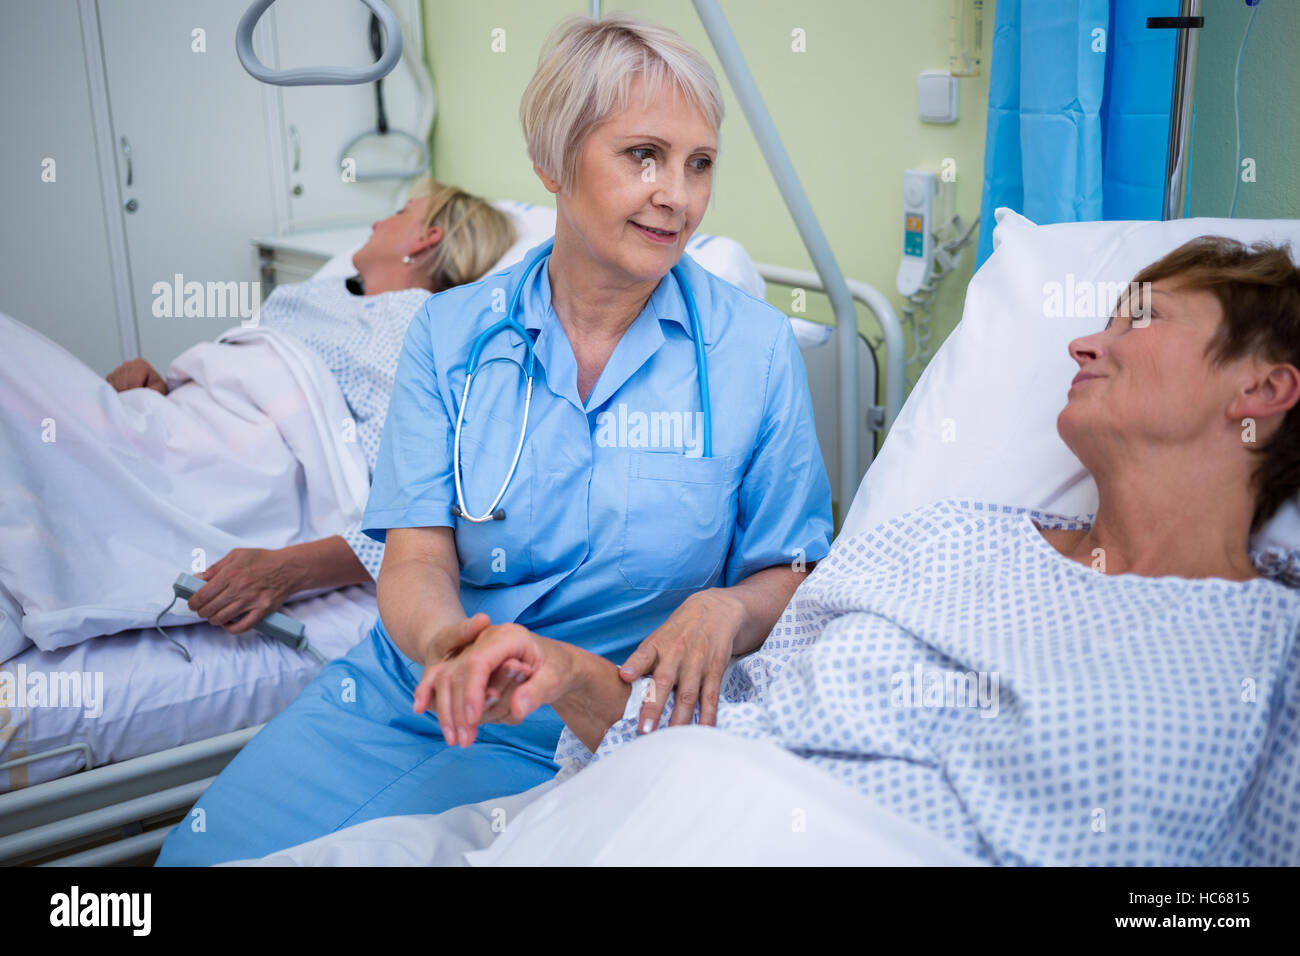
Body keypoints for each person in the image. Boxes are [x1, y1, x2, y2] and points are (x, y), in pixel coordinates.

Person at [155, 12, 832, 866]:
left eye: (700, 165)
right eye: (643, 156)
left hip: (600, 717)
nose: (679, 195)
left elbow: (793, 569)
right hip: (414, 688)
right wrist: (449, 650)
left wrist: (724, 608)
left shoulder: (753, 353)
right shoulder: (451, 335)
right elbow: (417, 557)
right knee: (196, 859)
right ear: (552, 161)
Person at [428, 236, 1300, 866]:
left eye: (1138, 321)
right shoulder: (946, 535)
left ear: (1261, 388)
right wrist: (565, 672)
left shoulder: (1275, 649)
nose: (1085, 342)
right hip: (696, 816)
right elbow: (708, 723)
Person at [106, 180, 516, 634]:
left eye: (399, 212)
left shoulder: (408, 322)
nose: (378, 221)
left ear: (427, 238)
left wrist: (288, 569)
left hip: (238, 460)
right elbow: (244, 373)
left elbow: (412, 504)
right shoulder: (306, 296)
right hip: (181, 419)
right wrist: (161, 389)